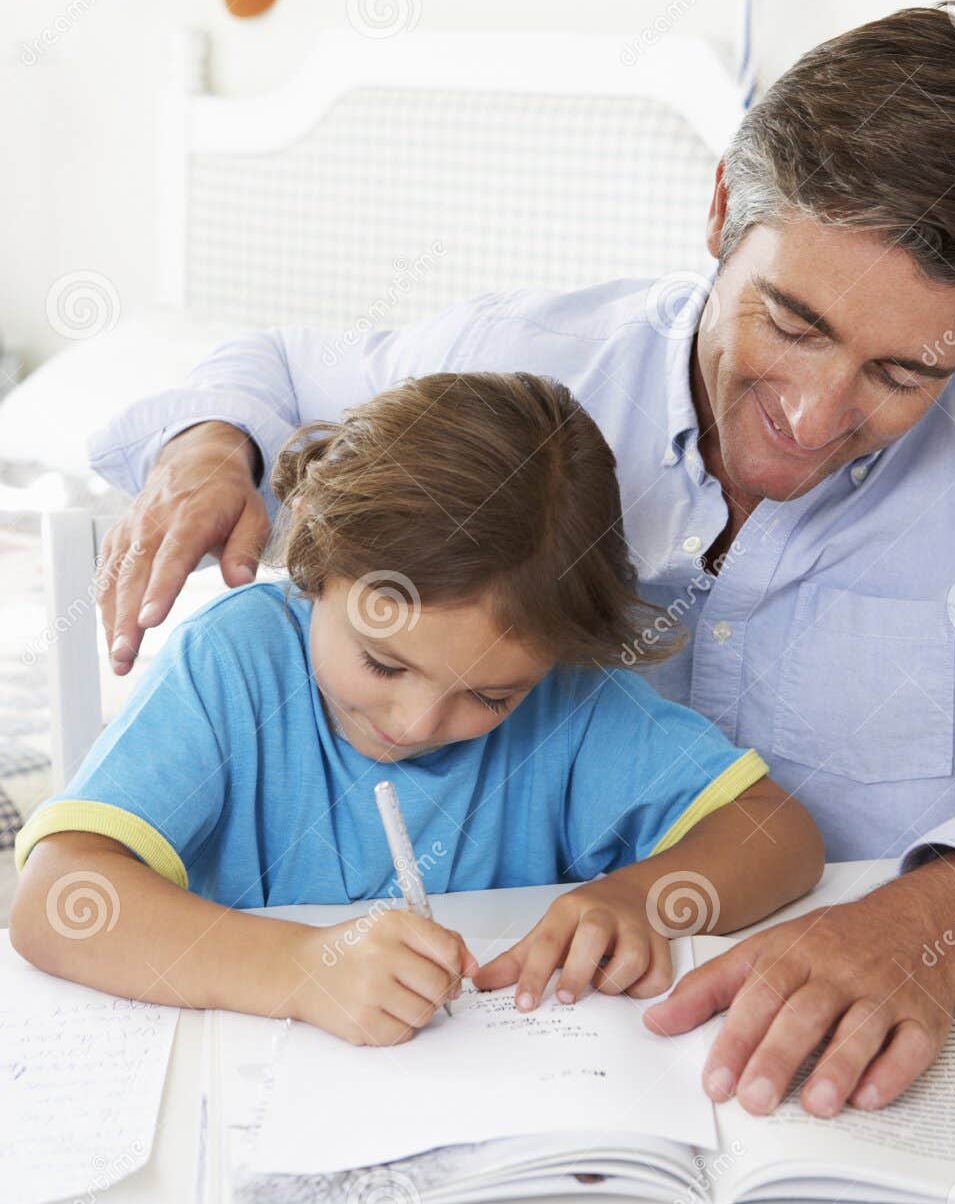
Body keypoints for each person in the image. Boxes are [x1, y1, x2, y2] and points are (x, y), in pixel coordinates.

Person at [87, 4, 955, 1115]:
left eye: (898, 376)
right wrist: (211, 443)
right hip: (564, 1043)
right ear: (717, 213)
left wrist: (932, 928)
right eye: (791, 324)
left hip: (898, 1028)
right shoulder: (512, 379)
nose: (810, 411)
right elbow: (262, 368)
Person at [11, 373, 823, 1047]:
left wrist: (637, 901)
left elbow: (777, 835)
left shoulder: (569, 697)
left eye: (489, 696)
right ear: (313, 565)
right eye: (382, 662)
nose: (415, 723)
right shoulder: (238, 663)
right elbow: (57, 902)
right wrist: (300, 969)